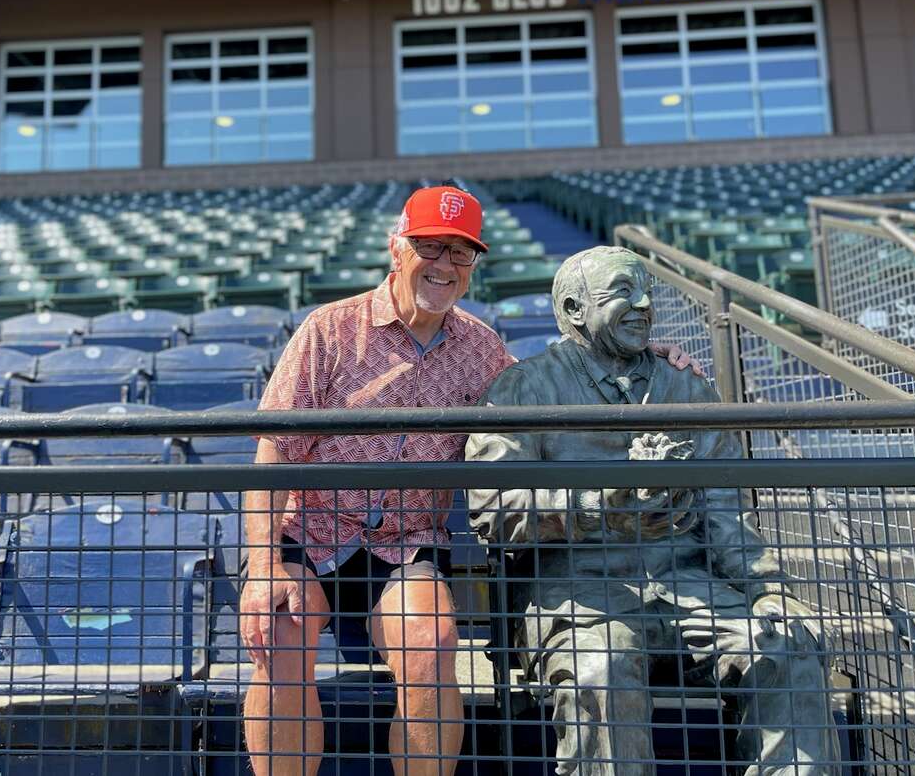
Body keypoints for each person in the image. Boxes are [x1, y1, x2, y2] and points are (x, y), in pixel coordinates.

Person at [240, 190, 697, 776]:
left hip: (404, 547)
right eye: (431, 246)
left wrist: (633, 356)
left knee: (430, 644)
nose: (446, 265)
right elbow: (274, 448)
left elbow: (548, 394)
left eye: (462, 253)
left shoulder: (480, 347)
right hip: (311, 536)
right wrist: (264, 566)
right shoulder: (329, 329)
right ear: (397, 248)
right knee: (282, 636)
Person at [465, 246, 840, 776]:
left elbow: (726, 513)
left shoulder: (686, 387)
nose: (643, 303)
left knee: (785, 648)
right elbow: (494, 512)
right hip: (578, 592)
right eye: (623, 291)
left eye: (647, 292)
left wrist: (768, 589)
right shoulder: (522, 390)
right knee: (602, 671)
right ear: (575, 309)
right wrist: (598, 508)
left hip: (685, 582)